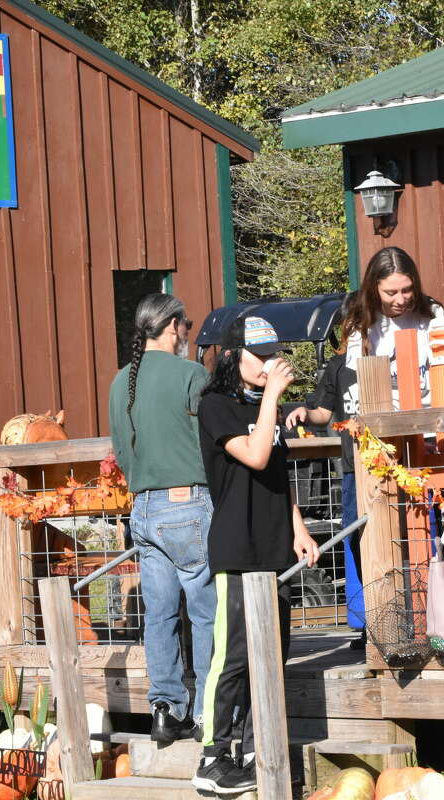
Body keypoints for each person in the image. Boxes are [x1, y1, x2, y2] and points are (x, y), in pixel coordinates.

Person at [193, 314, 322, 795]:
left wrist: (298, 528)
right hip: (237, 547)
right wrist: (271, 399)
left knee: (272, 654)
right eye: (260, 356)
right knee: (233, 656)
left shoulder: (263, 405)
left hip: (275, 548)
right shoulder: (215, 406)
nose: (270, 364)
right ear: (232, 357)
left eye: (274, 354)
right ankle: (211, 757)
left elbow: (277, 478)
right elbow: (256, 455)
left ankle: (254, 746)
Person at [107, 293, 214, 743]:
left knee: (160, 615)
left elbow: (121, 452)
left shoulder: (119, 382)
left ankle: (166, 710)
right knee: (208, 615)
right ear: (172, 326)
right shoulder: (192, 374)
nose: (187, 332)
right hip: (188, 503)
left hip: (143, 509)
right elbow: (212, 441)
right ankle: (212, 711)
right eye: (185, 324)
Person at [284, 293, 366, 643]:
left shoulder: (392, 352)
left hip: (394, 466)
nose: (356, 329)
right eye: (352, 323)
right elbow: (324, 411)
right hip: (352, 468)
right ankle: (371, 622)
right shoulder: (339, 364)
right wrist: (306, 411)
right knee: (359, 542)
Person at [341, 246, 444, 407]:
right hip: (385, 418)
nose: (401, 300)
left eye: (407, 290)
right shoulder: (360, 321)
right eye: (391, 293)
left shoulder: (432, 313)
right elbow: (356, 382)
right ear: (374, 288)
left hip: (431, 417)